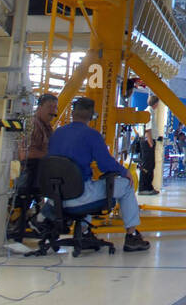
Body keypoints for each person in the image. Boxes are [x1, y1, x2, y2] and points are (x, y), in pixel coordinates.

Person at [47, 96, 150, 252]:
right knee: (126, 186)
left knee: (90, 184)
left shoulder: (57, 134)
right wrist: (125, 172)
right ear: (91, 115)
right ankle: (132, 236)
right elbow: (106, 165)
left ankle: (85, 231)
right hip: (80, 196)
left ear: (73, 114)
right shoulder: (92, 135)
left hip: (56, 198)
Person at [9, 94, 58, 240]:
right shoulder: (31, 124)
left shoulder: (47, 127)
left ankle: (42, 219)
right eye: (50, 107)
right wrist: (48, 154)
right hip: (29, 173)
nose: (54, 111)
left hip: (40, 173)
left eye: (55, 107)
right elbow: (24, 154)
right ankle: (38, 219)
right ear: (40, 106)